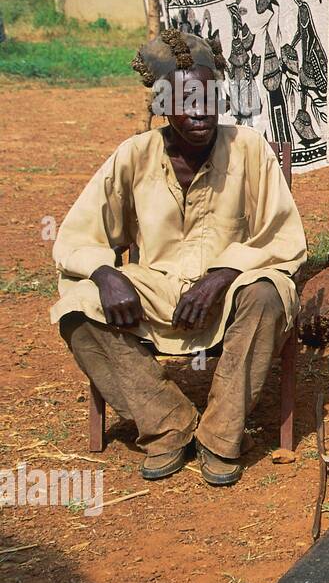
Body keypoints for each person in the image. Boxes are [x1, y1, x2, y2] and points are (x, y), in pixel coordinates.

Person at [51, 29, 307, 486]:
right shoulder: (134, 154)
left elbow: (281, 236)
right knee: (77, 306)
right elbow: (77, 235)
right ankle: (169, 424)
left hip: (231, 292)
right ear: (161, 105)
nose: (199, 110)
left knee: (269, 294)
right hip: (155, 289)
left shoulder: (248, 148)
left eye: (209, 96)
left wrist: (223, 274)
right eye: (184, 98)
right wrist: (107, 273)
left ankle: (220, 438)